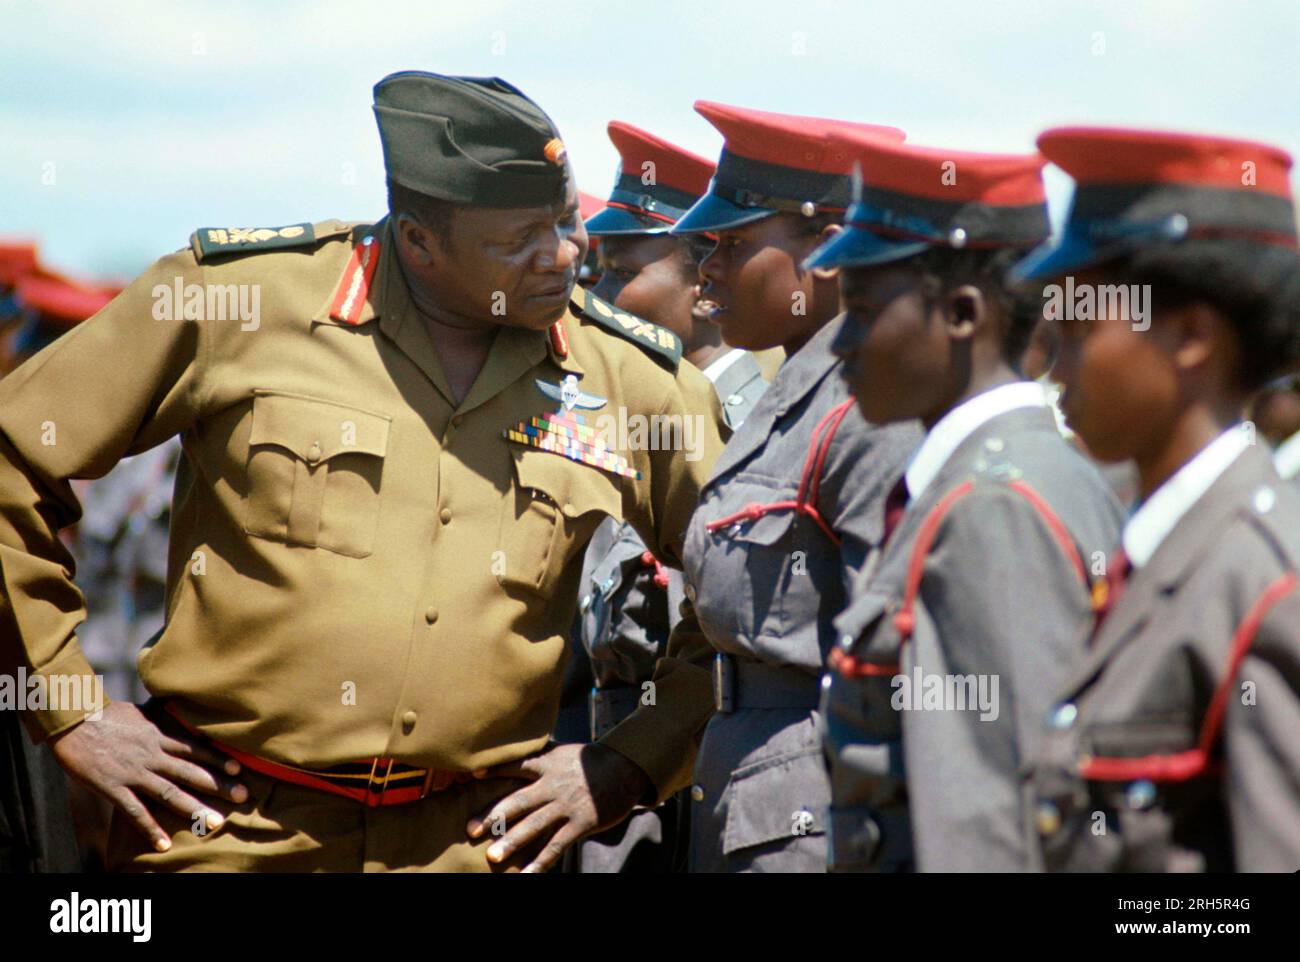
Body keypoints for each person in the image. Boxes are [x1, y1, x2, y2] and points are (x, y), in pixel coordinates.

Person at [0, 70, 723, 873]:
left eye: (563, 220)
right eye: (519, 238)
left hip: (475, 847)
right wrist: (67, 707)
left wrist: (629, 764)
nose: (565, 255)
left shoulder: (629, 380)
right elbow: (10, 459)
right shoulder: (238, 305)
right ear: (419, 240)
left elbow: (756, 599)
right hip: (226, 833)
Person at [527, 99, 921, 872]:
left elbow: (901, 675)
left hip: (823, 827)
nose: (708, 268)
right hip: (749, 813)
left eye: (733, 244)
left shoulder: (872, 412)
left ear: (832, 249)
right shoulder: (796, 398)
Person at [809, 131, 1124, 871]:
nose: (839, 344)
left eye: (859, 310)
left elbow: (999, 822)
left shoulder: (993, 507)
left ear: (961, 313)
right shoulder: (998, 475)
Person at [1012, 126, 1300, 871]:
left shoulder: (1265, 582)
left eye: (1077, 329)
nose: (1058, 367)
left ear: (1193, 336)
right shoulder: (1159, 549)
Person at [560, 120, 770, 872]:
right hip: (606, 776)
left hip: (704, 782)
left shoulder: (754, 434)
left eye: (623, 273)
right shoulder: (608, 415)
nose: (599, 298)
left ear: (703, 287)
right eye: (597, 273)